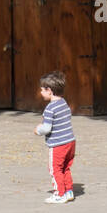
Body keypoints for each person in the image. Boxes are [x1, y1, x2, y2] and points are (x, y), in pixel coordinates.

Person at [34, 71, 76, 203]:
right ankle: (68, 191)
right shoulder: (64, 103)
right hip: (70, 141)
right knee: (65, 167)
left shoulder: (50, 109)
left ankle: (59, 194)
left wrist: (38, 130)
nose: (41, 92)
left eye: (42, 90)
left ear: (49, 91)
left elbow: (47, 128)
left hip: (58, 144)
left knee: (55, 168)